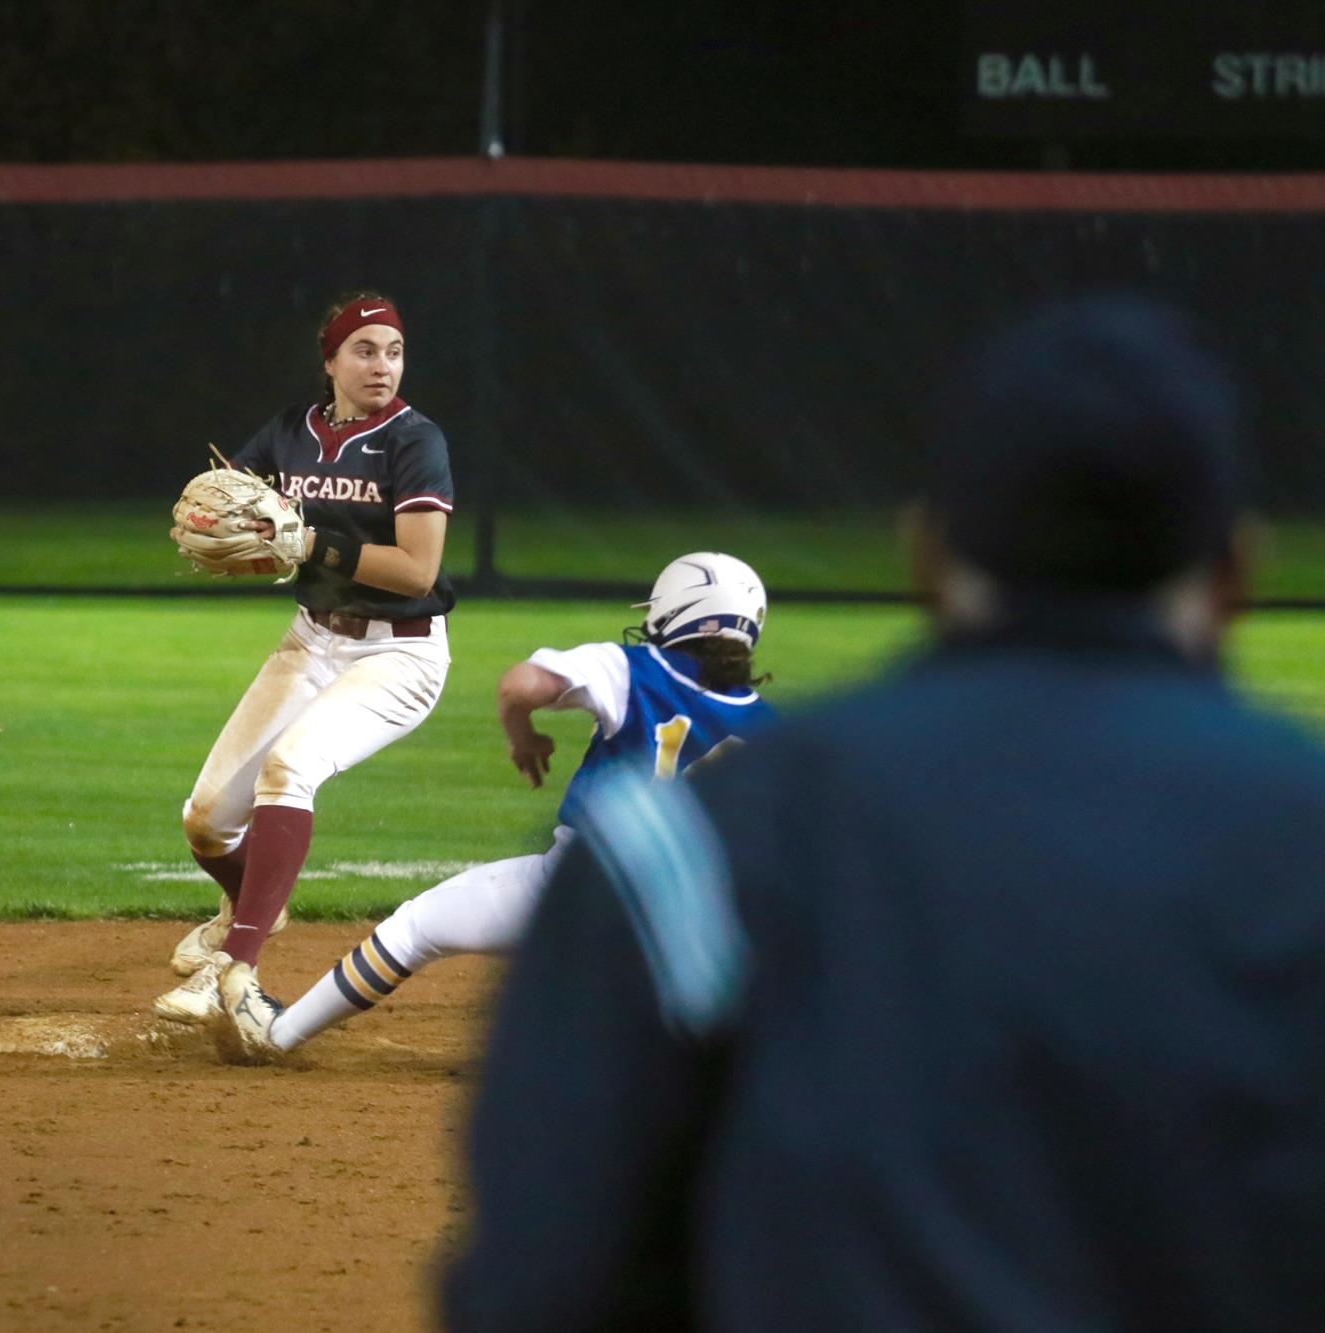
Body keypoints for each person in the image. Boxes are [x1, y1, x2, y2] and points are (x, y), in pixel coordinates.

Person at [444, 296, 1325, 1329]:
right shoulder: (1299, 851)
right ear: (1234, 574)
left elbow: (544, 1278)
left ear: (927, 557)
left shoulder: (683, 847)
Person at [265, 553, 775, 1056]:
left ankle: (277, 1036)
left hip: (581, 889)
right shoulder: (773, 731)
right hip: (687, 926)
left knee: (416, 929)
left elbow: (519, 686)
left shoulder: (634, 669)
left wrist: (522, 735)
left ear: (675, 612)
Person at [150, 292, 457, 1064]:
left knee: (289, 769)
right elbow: (223, 502)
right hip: (311, 638)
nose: (382, 365)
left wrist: (310, 541)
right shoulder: (291, 431)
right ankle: (250, 907)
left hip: (399, 653)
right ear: (330, 359)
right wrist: (216, 525)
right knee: (206, 819)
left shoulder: (414, 439)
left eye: (393, 350)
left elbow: (418, 569)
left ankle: (234, 968)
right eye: (365, 349)